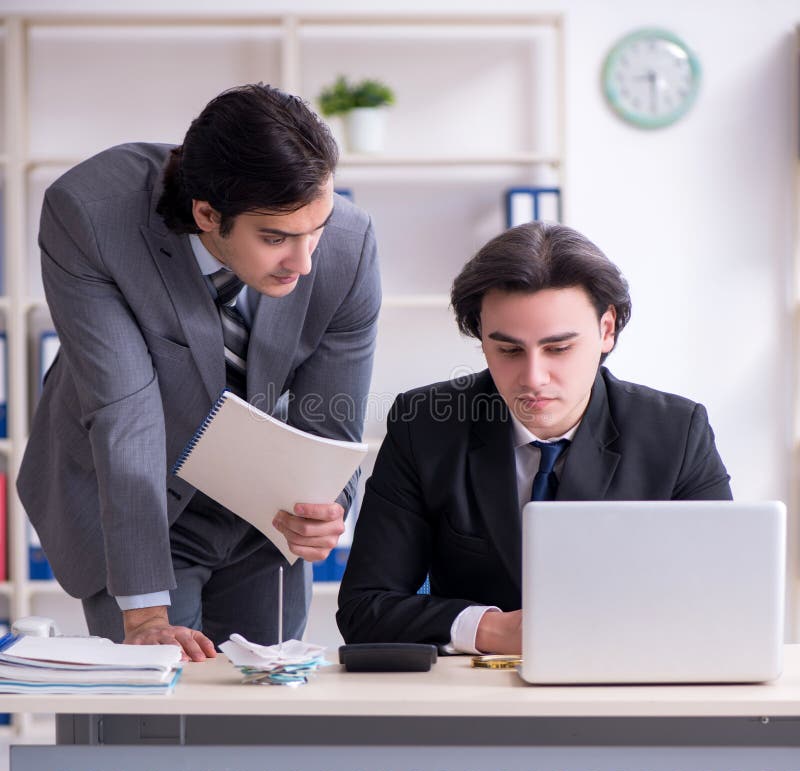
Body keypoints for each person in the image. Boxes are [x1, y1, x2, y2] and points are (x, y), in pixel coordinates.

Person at [18, 83, 381, 661]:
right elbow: (125, 413)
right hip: (133, 494)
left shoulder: (348, 245)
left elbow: (329, 422)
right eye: (276, 238)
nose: (305, 261)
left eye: (316, 229)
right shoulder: (90, 215)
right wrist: (145, 616)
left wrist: (326, 506)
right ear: (207, 214)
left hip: (256, 504)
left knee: (266, 704)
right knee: (155, 712)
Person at [337, 221, 730, 655]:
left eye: (559, 349)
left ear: (606, 329)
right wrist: (490, 629)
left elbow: (722, 601)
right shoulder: (425, 424)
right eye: (508, 350)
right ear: (480, 336)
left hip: (629, 688)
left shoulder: (676, 432)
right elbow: (365, 609)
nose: (533, 378)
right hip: (474, 701)